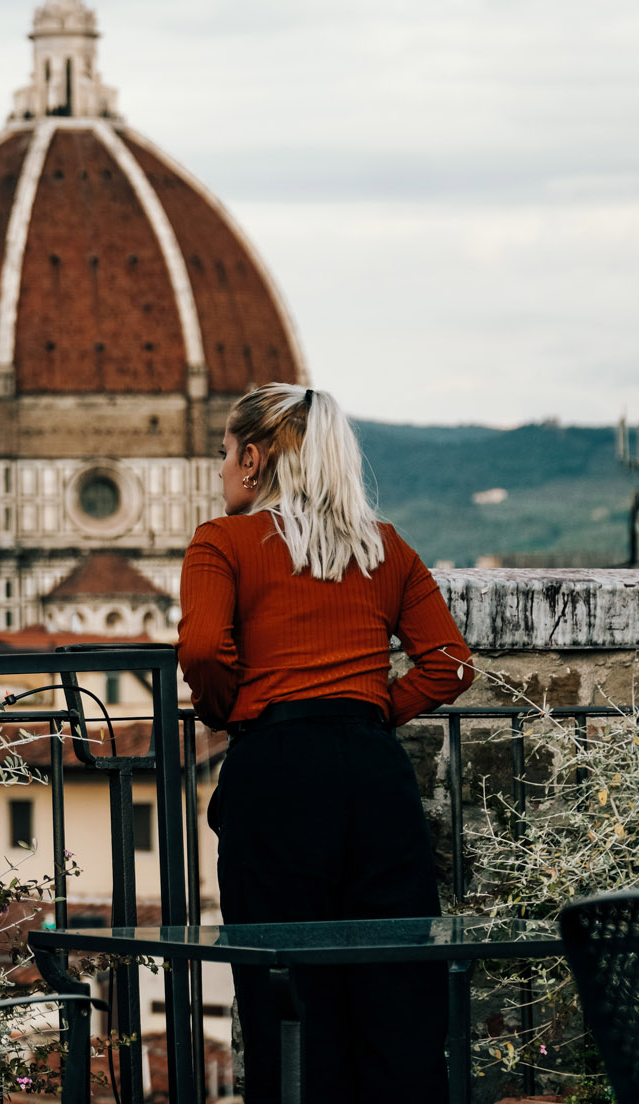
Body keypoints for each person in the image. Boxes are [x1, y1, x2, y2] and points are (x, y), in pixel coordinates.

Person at [178, 383, 474, 1104]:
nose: (222, 469)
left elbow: (205, 651)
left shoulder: (223, 543)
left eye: (225, 453)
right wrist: (371, 710)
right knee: (396, 989)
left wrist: (230, 711)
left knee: (285, 991)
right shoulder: (385, 546)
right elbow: (451, 664)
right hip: (373, 776)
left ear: (253, 460)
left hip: (274, 772)